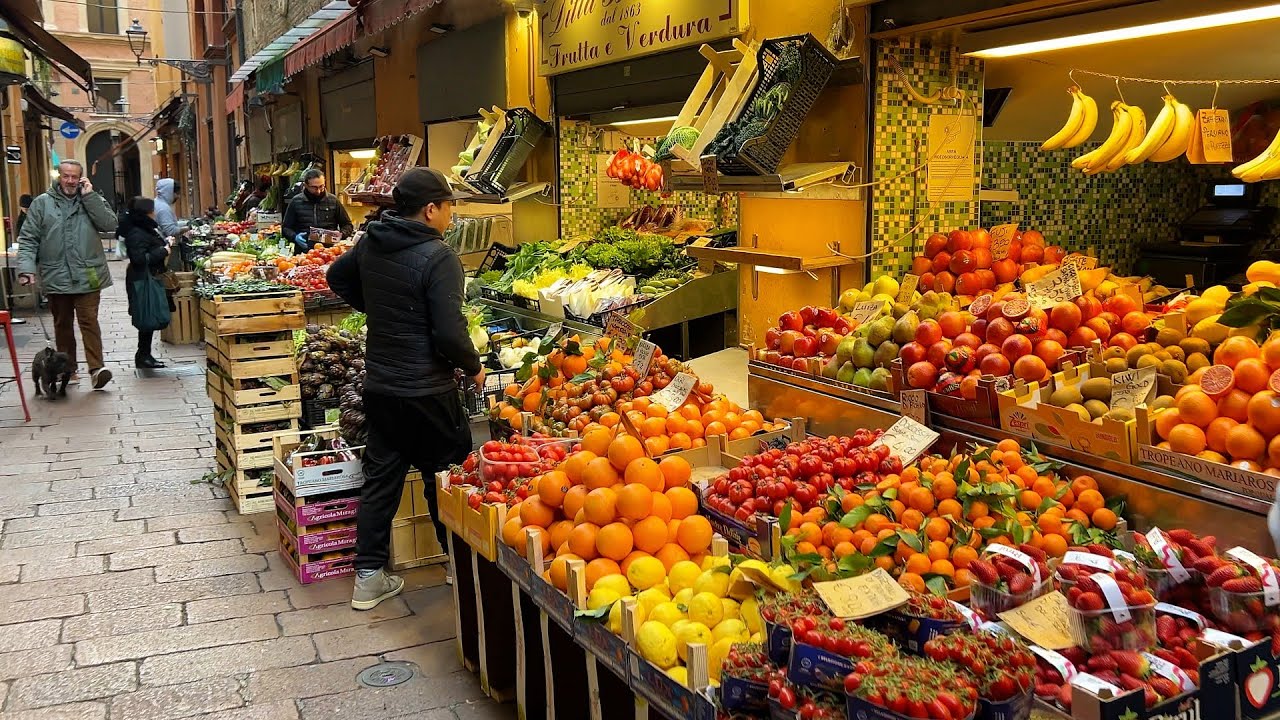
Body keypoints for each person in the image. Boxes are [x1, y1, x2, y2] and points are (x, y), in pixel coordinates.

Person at [327, 167, 481, 610]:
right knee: (446, 477)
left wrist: (378, 307)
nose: (451, 215)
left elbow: (337, 276)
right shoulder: (439, 256)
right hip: (428, 389)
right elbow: (450, 332)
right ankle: (459, 566)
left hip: (382, 385)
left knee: (382, 479)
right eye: (450, 206)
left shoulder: (372, 240)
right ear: (431, 209)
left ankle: (368, 577)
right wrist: (471, 367)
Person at [17, 160, 117, 389]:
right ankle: (68, 369)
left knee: (89, 321)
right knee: (62, 324)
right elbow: (29, 238)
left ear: (81, 178)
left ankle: (96, 369)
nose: (70, 181)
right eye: (66, 176)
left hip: (89, 273)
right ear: (59, 177)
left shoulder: (91, 199)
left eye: (74, 177)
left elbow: (110, 224)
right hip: (56, 274)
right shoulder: (42, 203)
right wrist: (26, 269)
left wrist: (91, 197)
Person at [119, 196, 170, 369]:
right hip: (143, 279)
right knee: (147, 315)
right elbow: (139, 259)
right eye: (152, 210)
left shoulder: (144, 228)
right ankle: (143, 356)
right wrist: (163, 250)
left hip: (148, 277)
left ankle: (144, 355)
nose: (155, 213)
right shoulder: (137, 232)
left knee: (149, 315)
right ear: (145, 212)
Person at [282, 168, 353, 254]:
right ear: (306, 185)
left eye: (321, 186)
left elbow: (347, 225)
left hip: (330, 252)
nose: (319, 191)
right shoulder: (295, 202)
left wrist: (341, 234)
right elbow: (285, 228)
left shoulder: (333, 201)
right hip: (304, 253)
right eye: (314, 188)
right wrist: (295, 237)